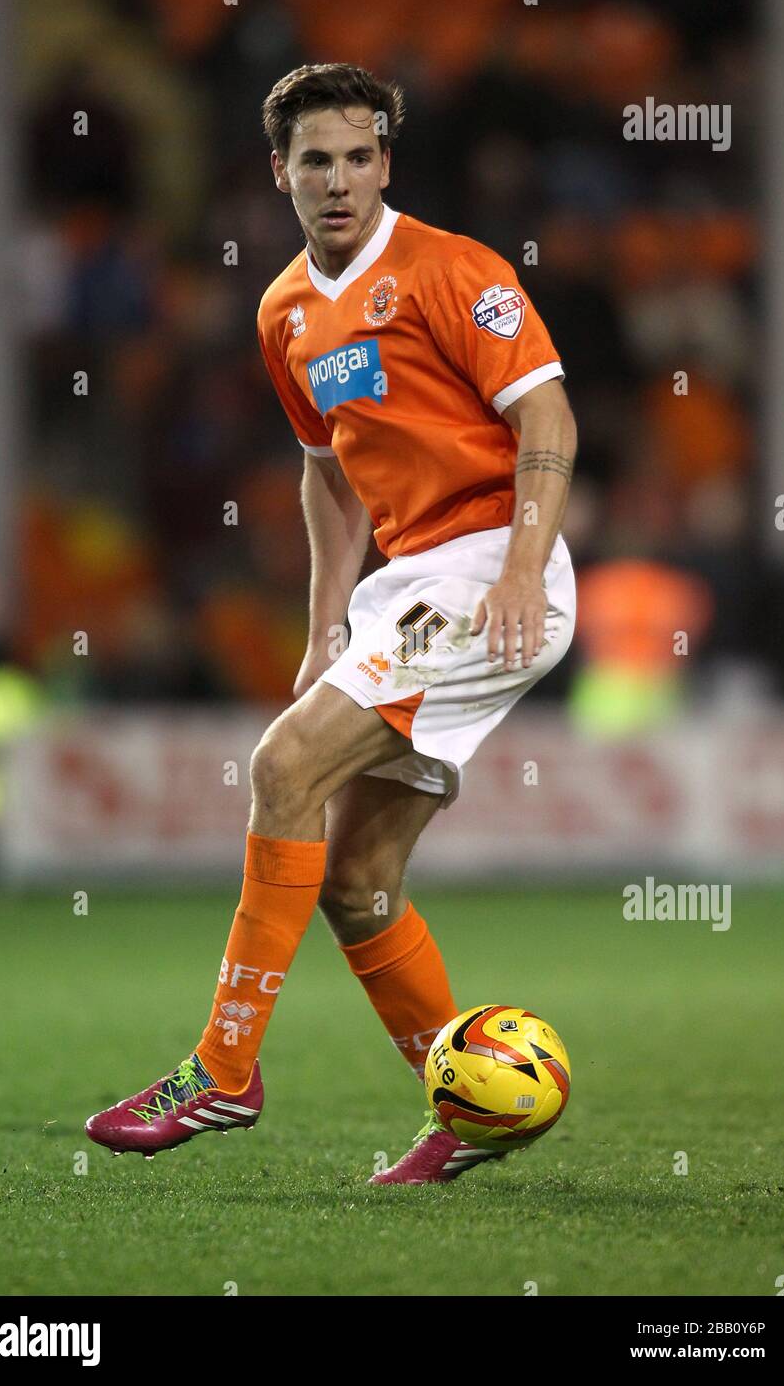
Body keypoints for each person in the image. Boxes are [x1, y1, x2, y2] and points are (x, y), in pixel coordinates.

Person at [86, 62, 577, 1184]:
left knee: (281, 766)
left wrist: (519, 566)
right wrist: (321, 634)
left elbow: (548, 416)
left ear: (386, 162)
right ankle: (474, 1110)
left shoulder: (454, 270)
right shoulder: (284, 313)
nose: (341, 180)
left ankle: (221, 1070)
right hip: (410, 587)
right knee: (357, 880)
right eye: (318, 161)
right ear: (281, 172)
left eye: (360, 157)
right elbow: (327, 473)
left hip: (489, 568)